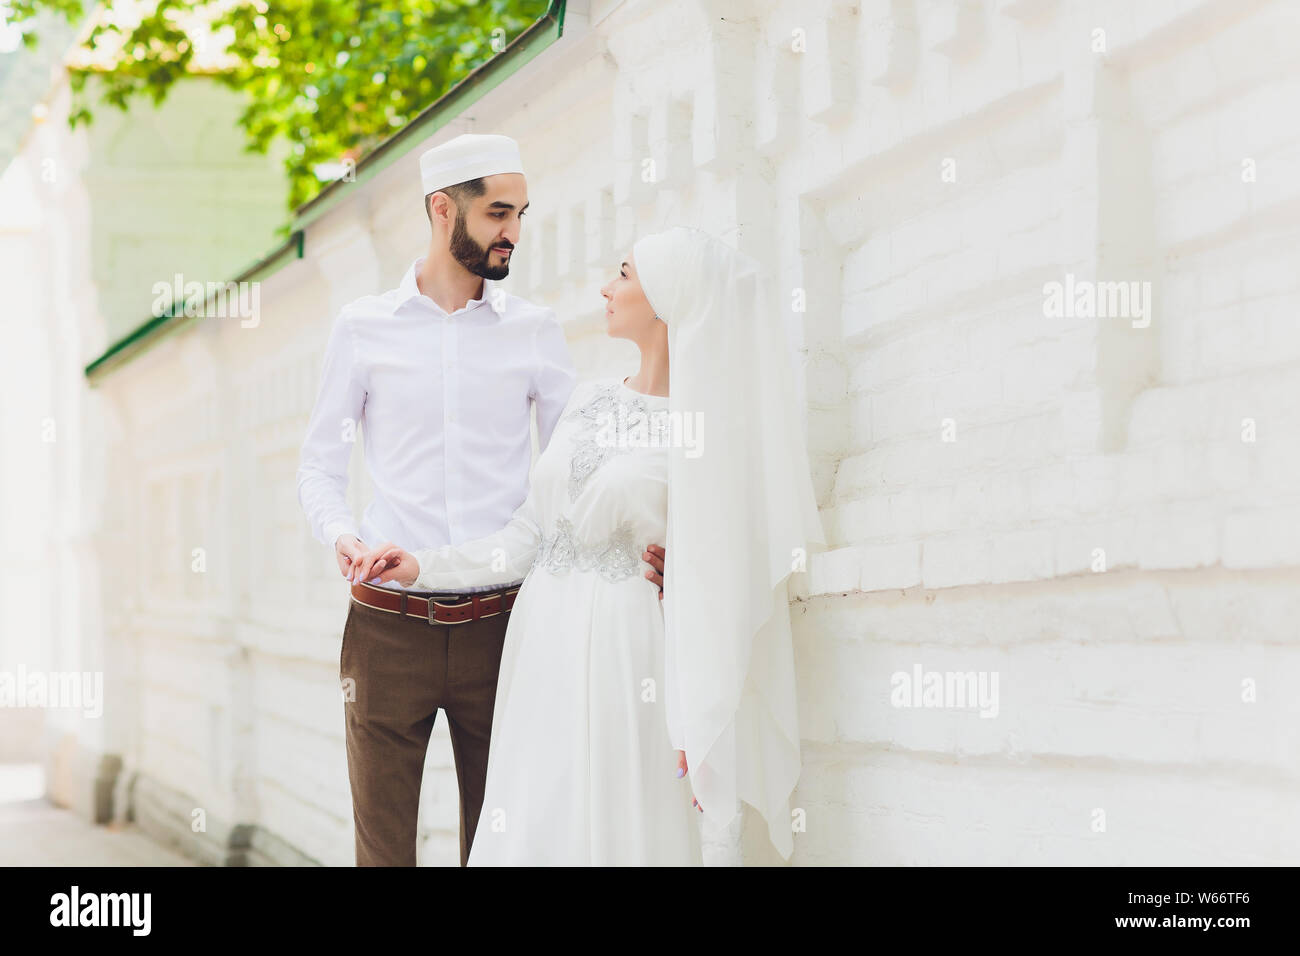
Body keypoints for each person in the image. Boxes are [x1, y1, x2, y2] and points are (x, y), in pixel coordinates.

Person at [353, 226, 826, 865]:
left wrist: (698, 696)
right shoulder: (587, 401)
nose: (606, 287)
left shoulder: (705, 430)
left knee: (620, 818)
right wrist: (422, 566)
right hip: (542, 642)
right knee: (536, 814)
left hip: (631, 655)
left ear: (666, 299)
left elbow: (729, 568)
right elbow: (529, 534)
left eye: (624, 274)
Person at [296, 132, 668, 866]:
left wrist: (661, 543)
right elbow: (319, 466)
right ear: (443, 209)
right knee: (383, 853)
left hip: (506, 628)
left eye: (522, 213)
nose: (515, 234)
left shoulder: (534, 331)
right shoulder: (361, 327)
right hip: (385, 627)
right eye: (500, 213)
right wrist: (342, 535)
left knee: (504, 844)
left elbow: (583, 470)